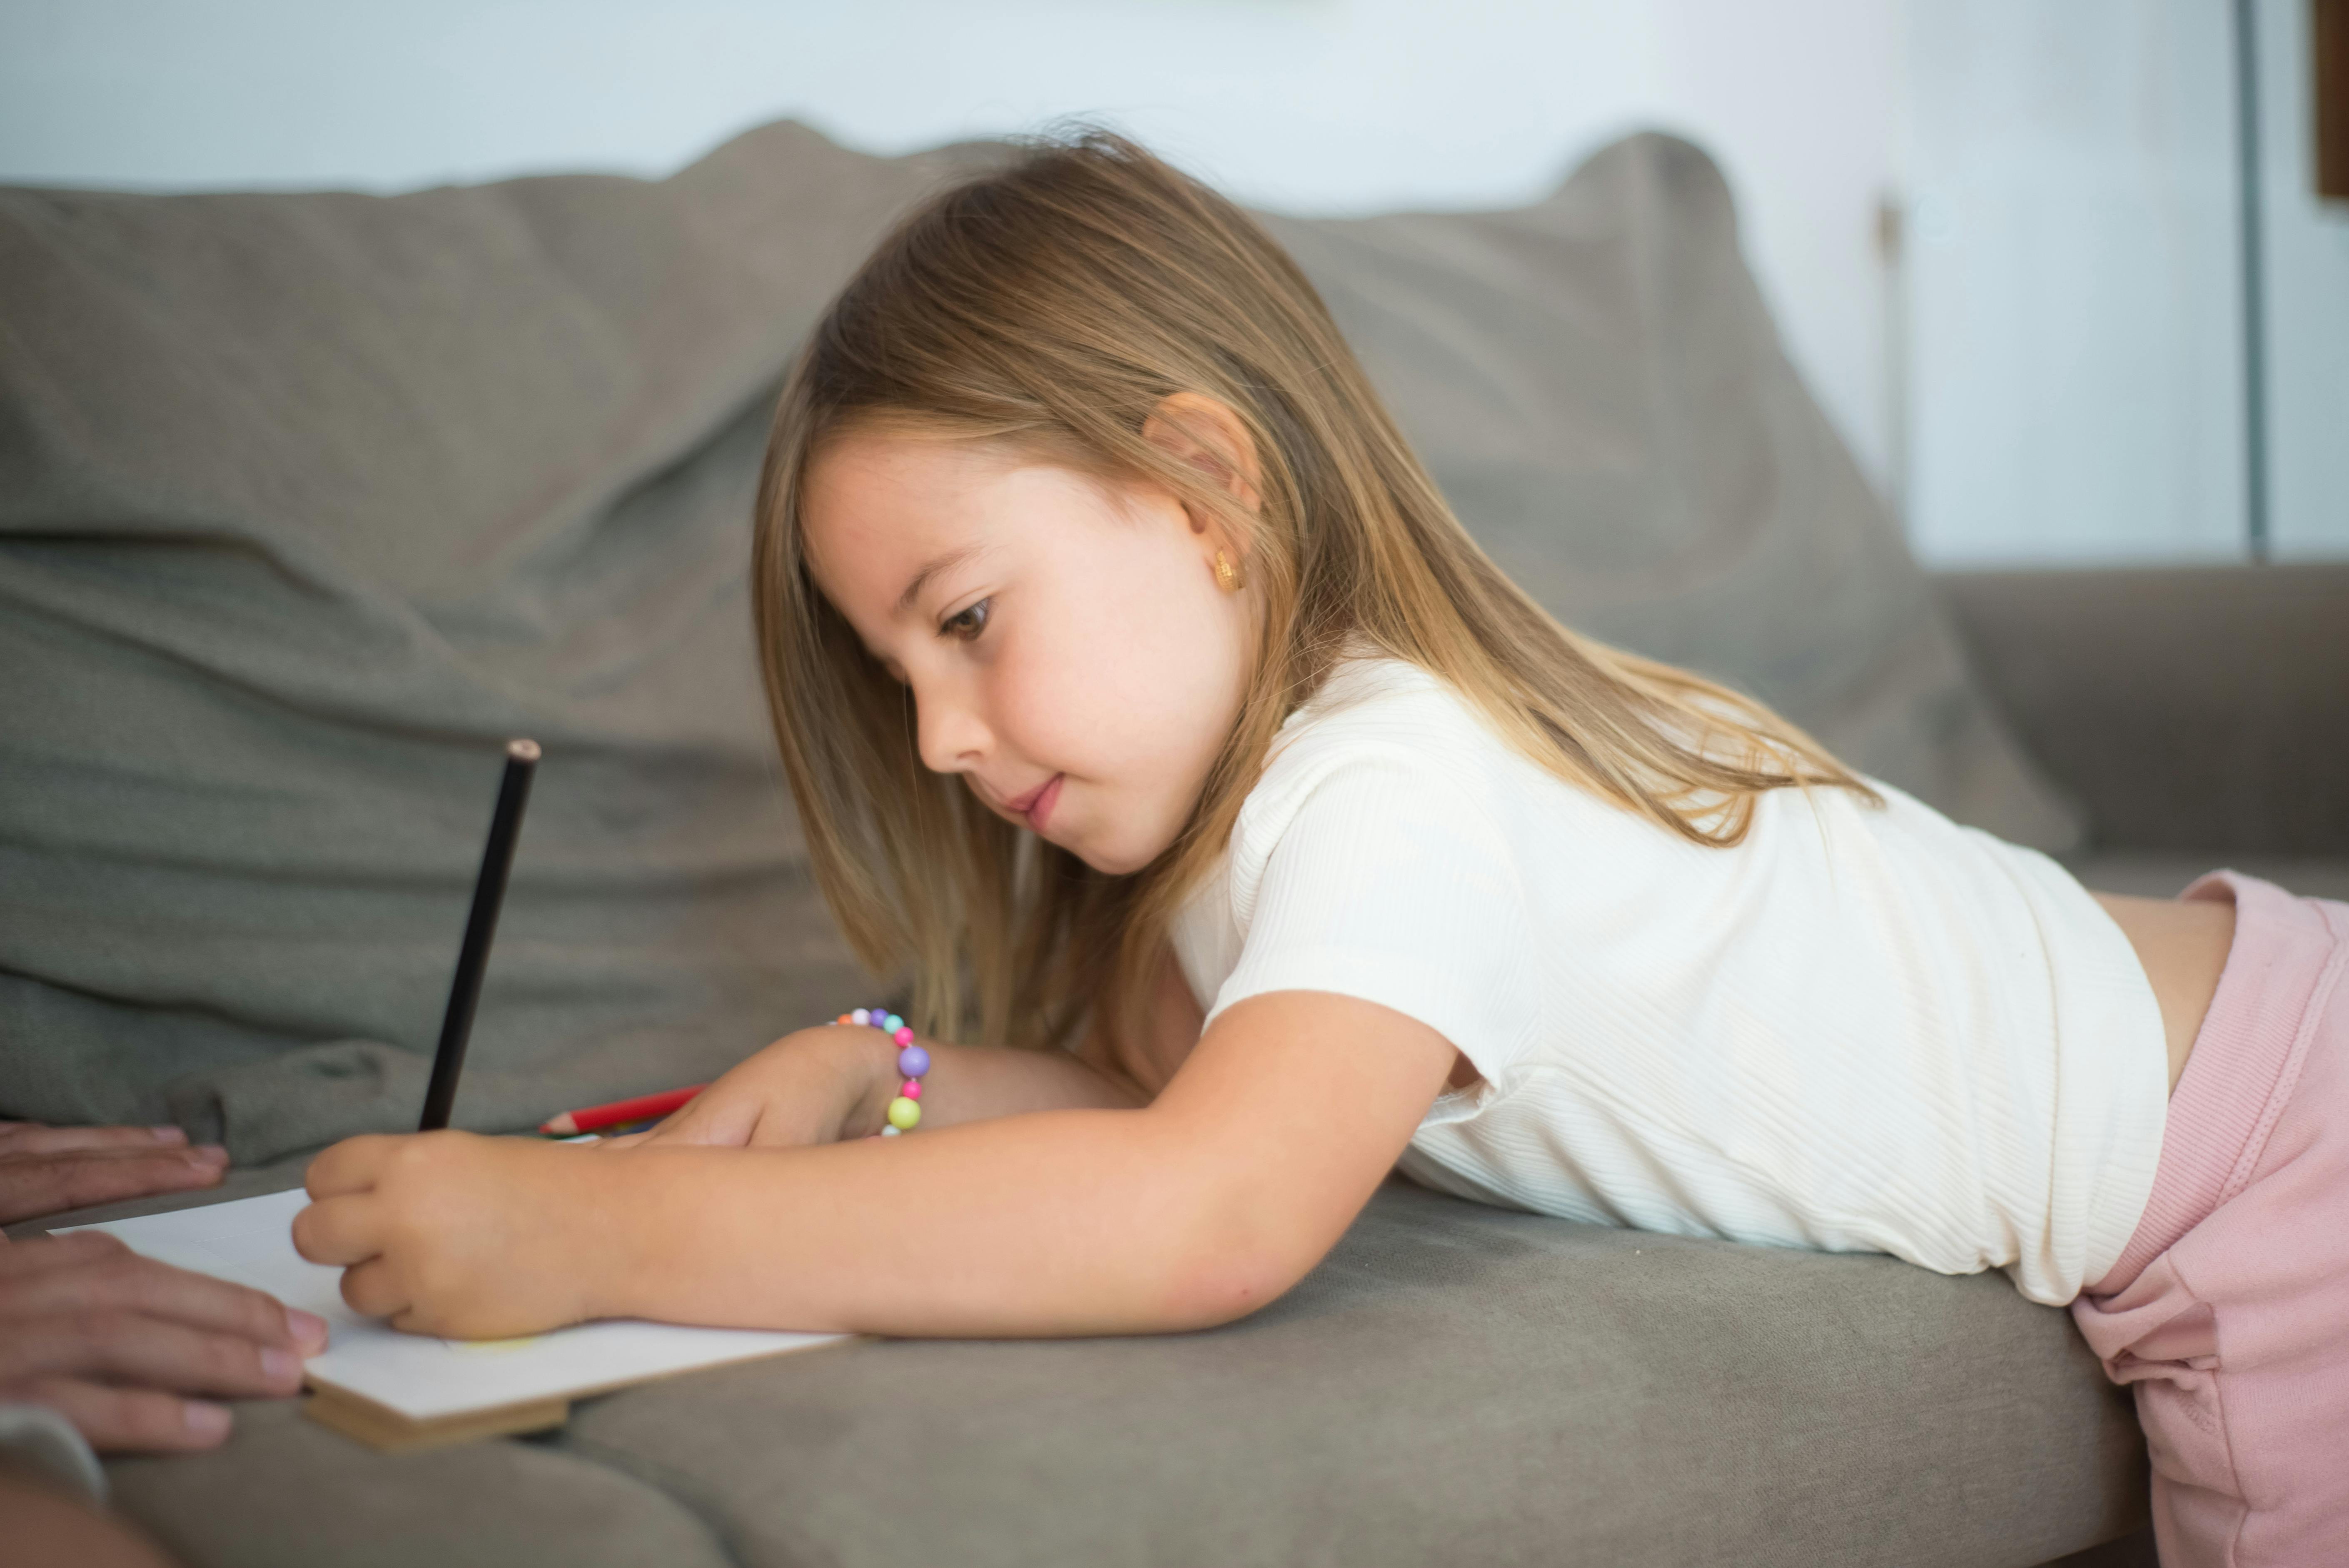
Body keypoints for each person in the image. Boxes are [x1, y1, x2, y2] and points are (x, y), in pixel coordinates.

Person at [288, 133, 2345, 1566]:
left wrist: (589, 1239)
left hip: (2268, 1165)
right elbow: (1161, 1092)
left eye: (967, 620)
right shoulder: (1248, 837)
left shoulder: (1393, 783)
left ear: (1201, 492)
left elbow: (1209, 1209)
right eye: (893, 669)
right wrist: (878, 1071)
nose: (934, 734)